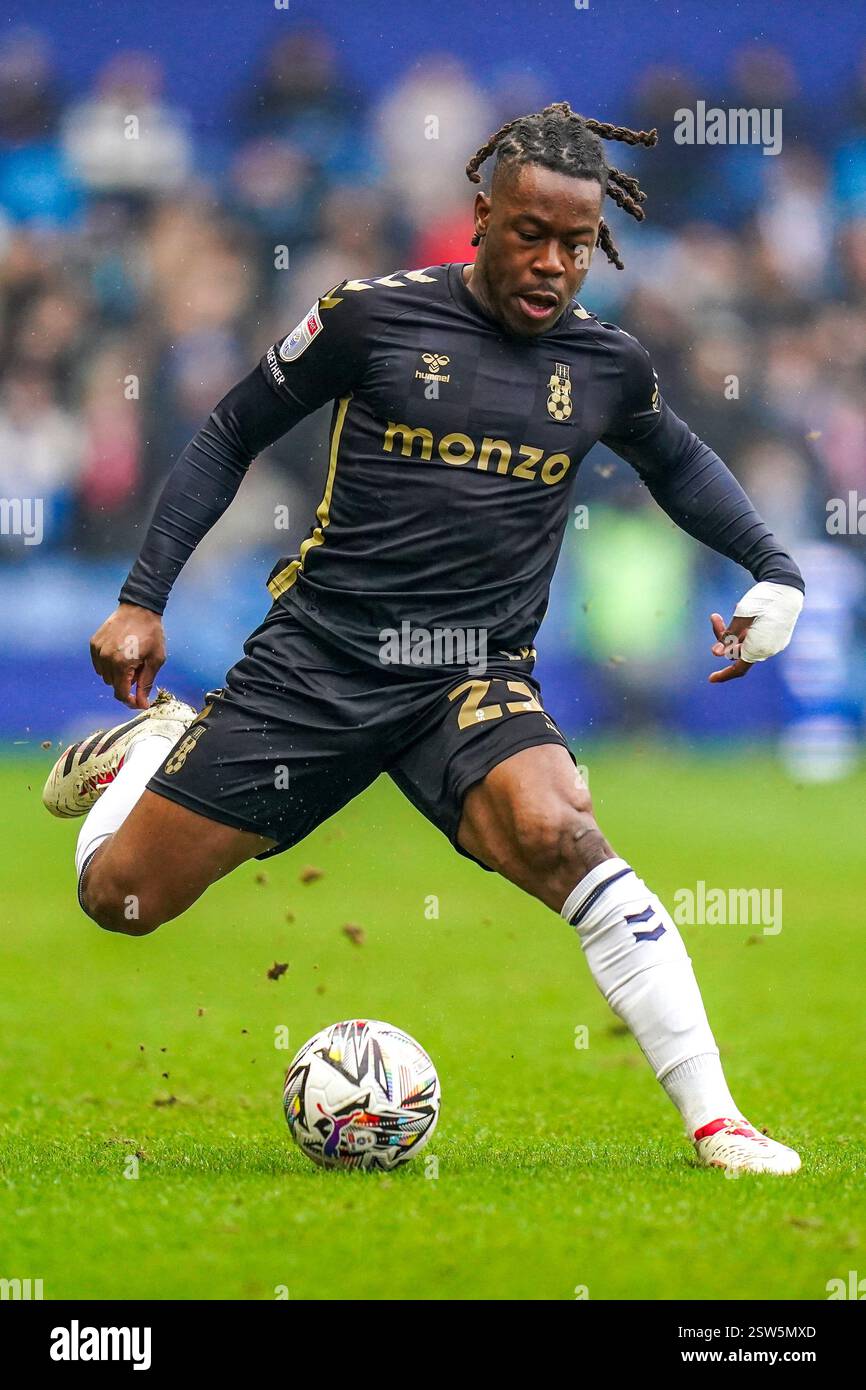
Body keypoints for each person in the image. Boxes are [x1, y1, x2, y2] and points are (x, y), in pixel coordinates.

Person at [43, 101, 805, 1174]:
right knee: (120, 900)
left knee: (561, 828)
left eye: (575, 244)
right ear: (481, 216)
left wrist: (774, 570)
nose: (551, 263)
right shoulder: (368, 318)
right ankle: (146, 753)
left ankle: (715, 1120)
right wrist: (141, 595)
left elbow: (677, 463)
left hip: (469, 674)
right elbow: (230, 428)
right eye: (530, 234)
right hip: (319, 659)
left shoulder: (604, 367)